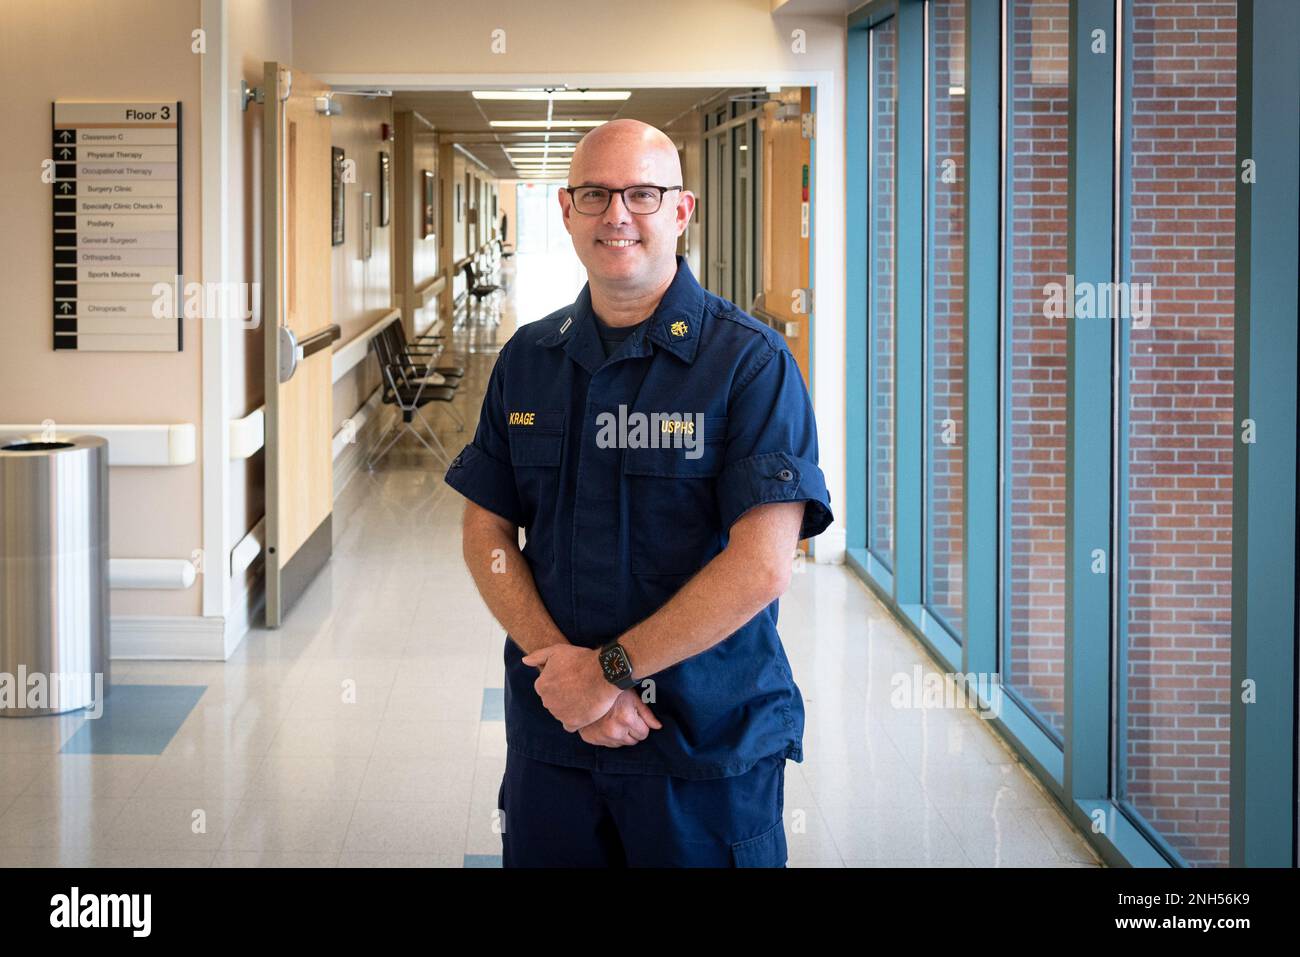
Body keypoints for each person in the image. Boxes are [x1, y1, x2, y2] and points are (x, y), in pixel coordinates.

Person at [444, 118, 832, 867]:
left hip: (703, 750)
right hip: (556, 743)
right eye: (594, 194)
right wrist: (569, 675)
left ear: (681, 211)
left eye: (642, 194)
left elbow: (762, 565)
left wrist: (608, 671)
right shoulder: (529, 359)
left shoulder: (749, 365)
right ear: (566, 210)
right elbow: (484, 531)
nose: (617, 214)